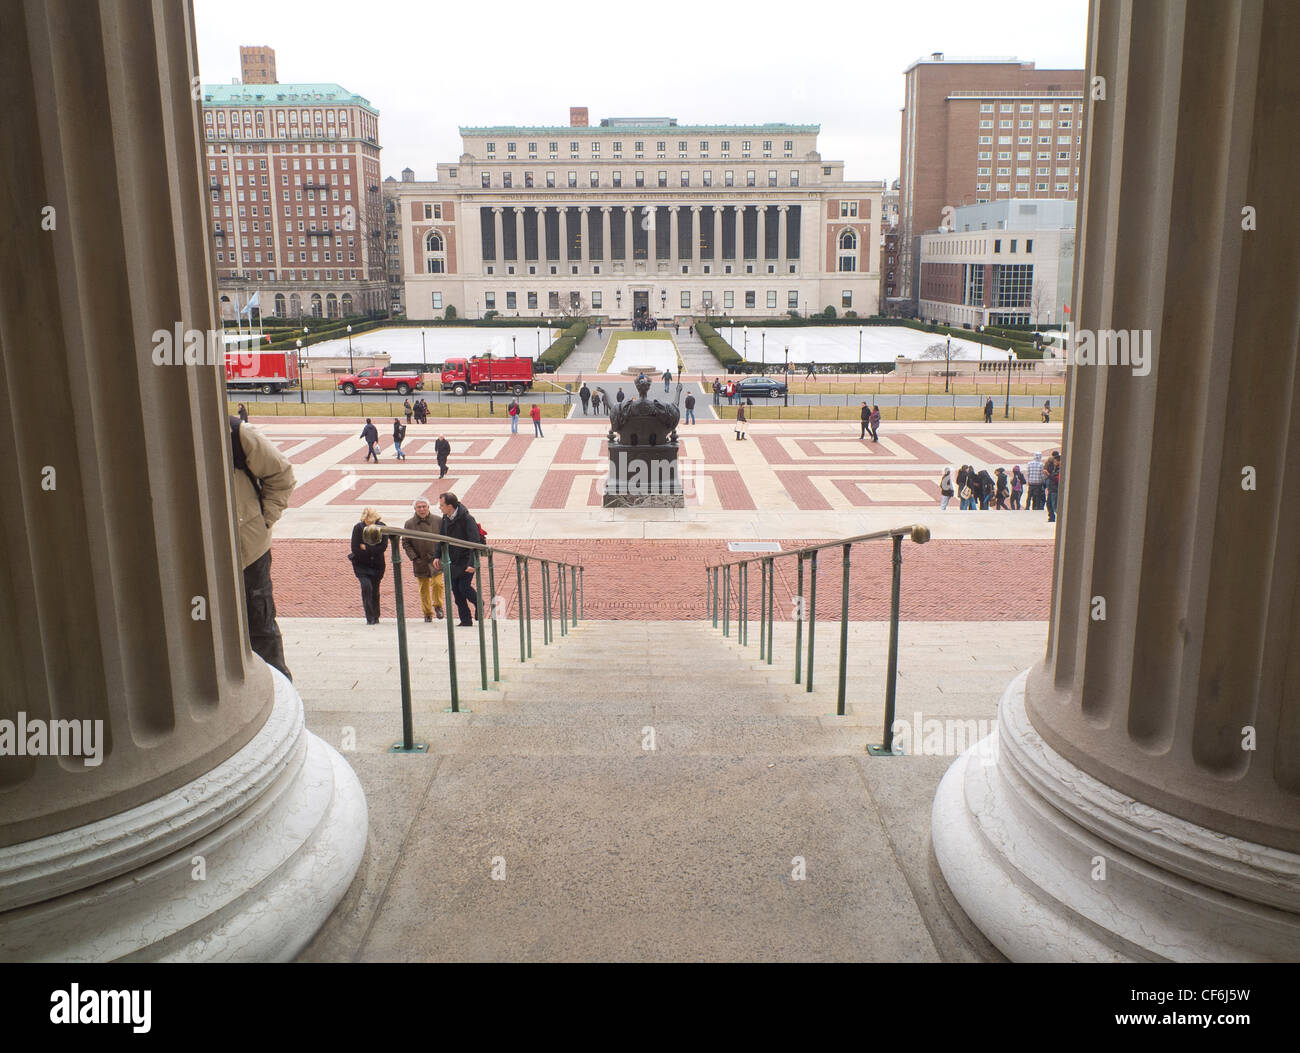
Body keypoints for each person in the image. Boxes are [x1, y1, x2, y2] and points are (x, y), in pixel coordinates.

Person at [230, 414, 296, 680]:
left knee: (260, 624)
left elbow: (282, 476)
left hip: (249, 551)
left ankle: (280, 690)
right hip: (193, 553)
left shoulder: (238, 434)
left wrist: (263, 519)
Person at [434, 492, 480, 627]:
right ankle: (466, 620)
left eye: (442, 505)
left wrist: (472, 563)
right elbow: (441, 537)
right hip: (452, 561)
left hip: (466, 560)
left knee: (464, 588)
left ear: (450, 506)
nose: (440, 508)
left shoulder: (467, 519)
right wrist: (437, 555)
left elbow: (475, 542)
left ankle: (479, 603)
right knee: (456, 591)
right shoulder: (445, 518)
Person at [402, 497, 445, 621]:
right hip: (420, 560)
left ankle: (438, 606)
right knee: (423, 588)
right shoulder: (409, 523)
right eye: (419, 507)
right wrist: (414, 558)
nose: (422, 509)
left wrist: (441, 554)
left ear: (428, 507)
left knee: (438, 583)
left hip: (435, 559)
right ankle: (427, 613)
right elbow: (406, 542)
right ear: (415, 509)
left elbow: (444, 538)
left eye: (424, 506)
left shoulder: (438, 520)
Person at [350, 506, 388, 625]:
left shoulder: (382, 527)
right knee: (367, 588)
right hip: (361, 565)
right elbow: (355, 548)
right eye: (366, 522)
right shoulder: (358, 528)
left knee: (375, 590)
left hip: (377, 565)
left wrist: (366, 547)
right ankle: (369, 617)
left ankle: (376, 615)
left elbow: (383, 547)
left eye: (371, 522)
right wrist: (372, 550)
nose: (368, 524)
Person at [1045, 451, 1061, 523]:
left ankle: (1059, 518)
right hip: (1051, 489)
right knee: (1049, 504)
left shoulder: (1059, 470)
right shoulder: (1055, 468)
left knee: (1055, 506)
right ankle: (1051, 518)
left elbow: (1057, 479)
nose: (1054, 463)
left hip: (1055, 490)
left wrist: (1048, 474)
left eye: (1055, 462)